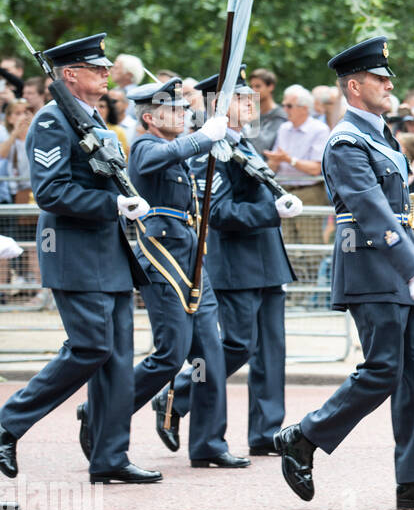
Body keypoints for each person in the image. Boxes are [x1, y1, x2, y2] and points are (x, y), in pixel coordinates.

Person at [275, 37, 414, 510]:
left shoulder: (381, 136)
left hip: (402, 267)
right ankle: (304, 436)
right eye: (380, 79)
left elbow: (400, 212)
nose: (389, 85)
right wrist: (413, 268)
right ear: (354, 86)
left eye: (389, 78)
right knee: (384, 370)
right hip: (373, 268)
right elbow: (371, 211)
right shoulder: (345, 141)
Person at [0, 34, 158, 485]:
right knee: (90, 346)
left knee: (117, 359)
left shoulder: (98, 125)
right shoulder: (53, 121)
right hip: (74, 253)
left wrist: (123, 204)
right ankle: (8, 422)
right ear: (71, 75)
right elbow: (49, 192)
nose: (107, 73)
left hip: (109, 254)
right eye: (97, 68)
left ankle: (110, 456)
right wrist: (111, 205)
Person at [95, 78, 248, 469]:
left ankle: (209, 443)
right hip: (162, 258)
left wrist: (219, 138)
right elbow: (153, 161)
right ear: (149, 117)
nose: (183, 114)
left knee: (209, 356)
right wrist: (203, 138)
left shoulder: (176, 150)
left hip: (192, 256)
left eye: (183, 108)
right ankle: (101, 413)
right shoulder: (146, 145)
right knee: (170, 354)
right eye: (174, 110)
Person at [160, 71, 301, 458]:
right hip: (236, 262)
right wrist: (270, 211)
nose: (250, 103)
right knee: (237, 345)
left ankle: (266, 431)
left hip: (267, 259)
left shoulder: (245, 145)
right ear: (217, 104)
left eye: (249, 97)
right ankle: (178, 391)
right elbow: (218, 213)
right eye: (240, 98)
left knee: (272, 352)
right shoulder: (211, 149)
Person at [264, 84, 329, 245]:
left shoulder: (320, 129)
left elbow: (315, 168)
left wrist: (288, 159)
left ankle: (311, 273)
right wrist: (270, 162)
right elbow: (275, 163)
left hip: (309, 193)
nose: (284, 109)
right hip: (283, 192)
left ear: (304, 108)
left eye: (289, 106)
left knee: (310, 245)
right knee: (285, 245)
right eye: (284, 105)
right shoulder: (283, 128)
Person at [246, 67, 287, 155]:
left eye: (258, 86)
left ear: (270, 87)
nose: (253, 91)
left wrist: (253, 121)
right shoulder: (254, 111)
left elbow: (263, 148)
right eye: (251, 86)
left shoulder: (280, 116)